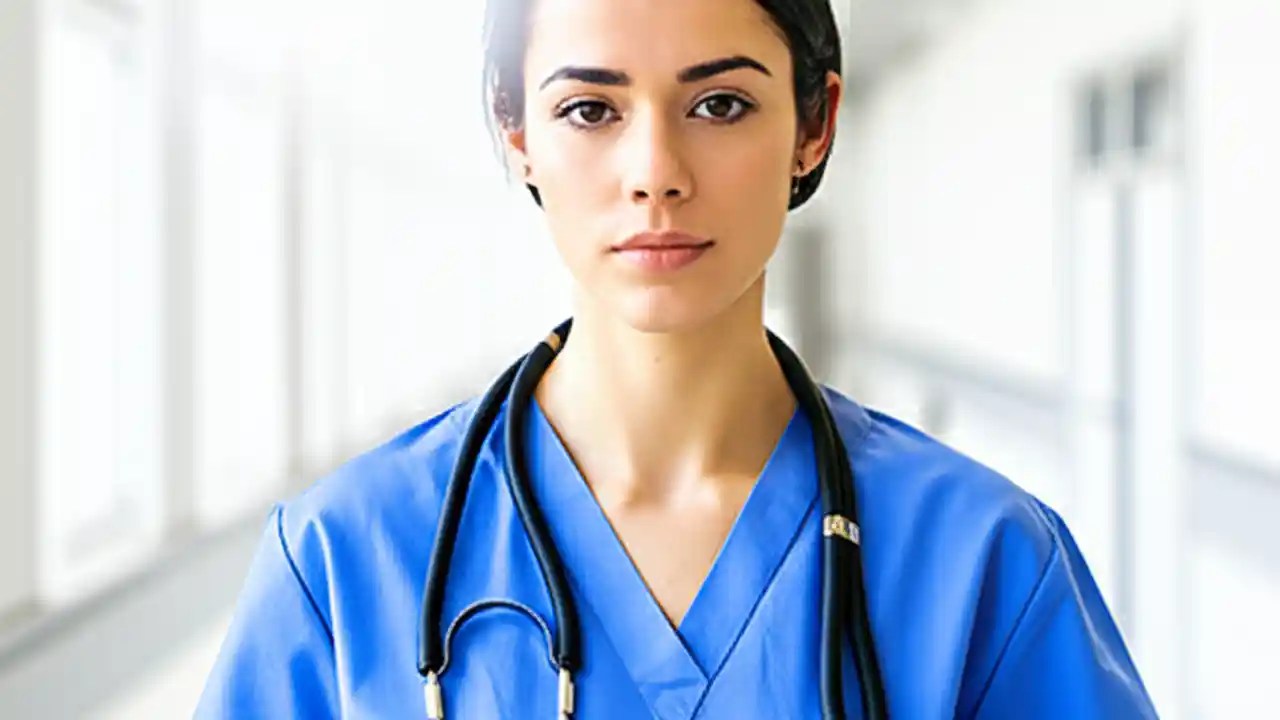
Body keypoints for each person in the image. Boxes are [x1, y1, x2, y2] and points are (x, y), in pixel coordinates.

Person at [195, 0, 1158, 717]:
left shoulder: (981, 562)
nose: (655, 169)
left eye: (721, 103)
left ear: (814, 125)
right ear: (515, 132)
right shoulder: (343, 567)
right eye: (589, 111)